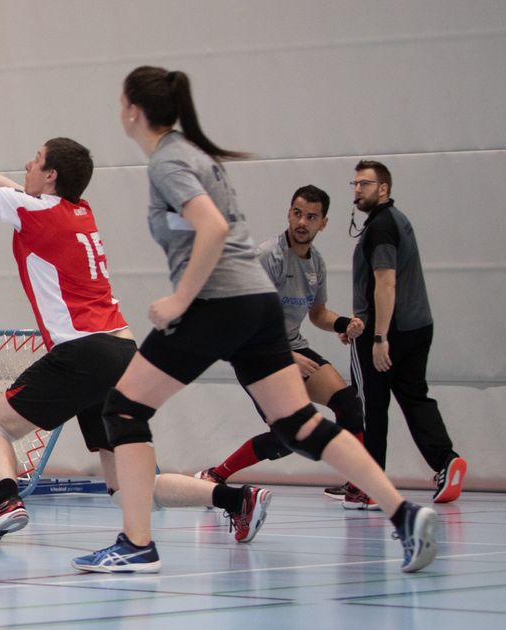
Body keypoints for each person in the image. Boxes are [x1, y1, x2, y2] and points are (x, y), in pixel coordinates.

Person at [0, 70, 272, 547]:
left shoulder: (36, 212)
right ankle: (236, 500)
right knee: (126, 480)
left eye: (35, 159)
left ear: (51, 175)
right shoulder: (76, 211)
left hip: (83, 351)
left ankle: (5, 500)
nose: (26, 163)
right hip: (124, 353)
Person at [76, 65, 438, 574]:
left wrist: (181, 299)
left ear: (133, 109)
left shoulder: (169, 161)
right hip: (257, 305)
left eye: (120, 101)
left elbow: (213, 226)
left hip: (218, 305)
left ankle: (137, 544)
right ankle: (403, 513)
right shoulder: (194, 153)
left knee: (124, 410)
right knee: (299, 424)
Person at [196, 185, 376, 508]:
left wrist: (343, 324)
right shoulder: (269, 257)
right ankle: (216, 474)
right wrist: (286, 358)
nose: (302, 222)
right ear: (288, 214)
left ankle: (357, 485)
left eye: (311, 216)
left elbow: (318, 314)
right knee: (287, 439)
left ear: (323, 223)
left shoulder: (316, 264)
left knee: (349, 405)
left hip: (291, 348)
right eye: (297, 213)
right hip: (256, 354)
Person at [350, 159, 467, 503]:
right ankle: (446, 460)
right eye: (355, 184)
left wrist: (379, 337)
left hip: (392, 331)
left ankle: (372, 487)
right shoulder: (395, 219)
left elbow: (386, 282)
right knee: (414, 397)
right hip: (418, 326)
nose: (358, 190)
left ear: (383, 188)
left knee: (371, 406)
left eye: (365, 184)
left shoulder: (382, 226)